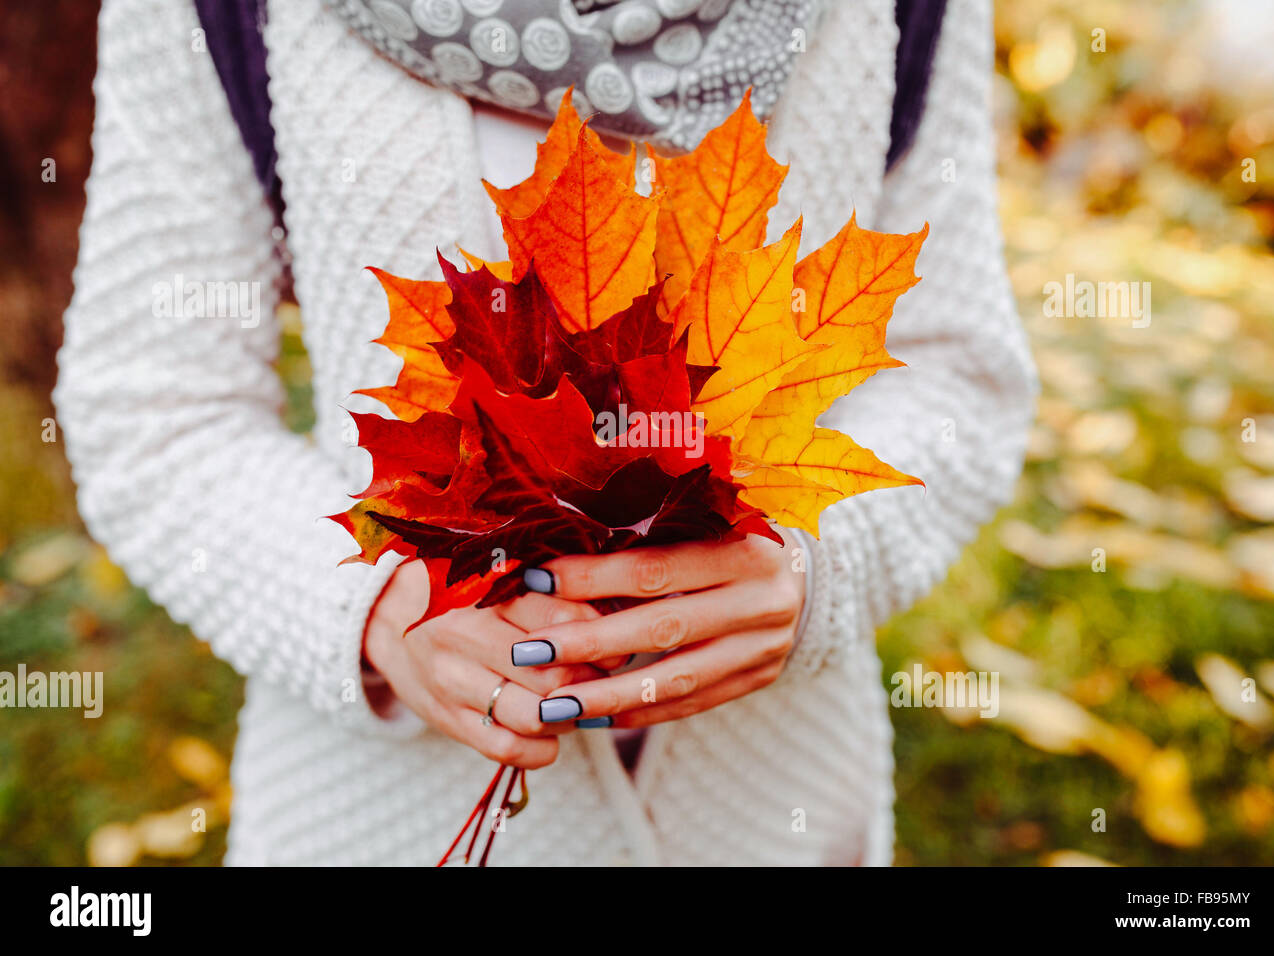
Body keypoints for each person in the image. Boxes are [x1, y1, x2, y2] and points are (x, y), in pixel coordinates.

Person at [55, 0, 1036, 865]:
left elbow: (962, 369)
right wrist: (370, 609)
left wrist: (825, 570)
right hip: (378, 817)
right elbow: (154, 408)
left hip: (776, 802)